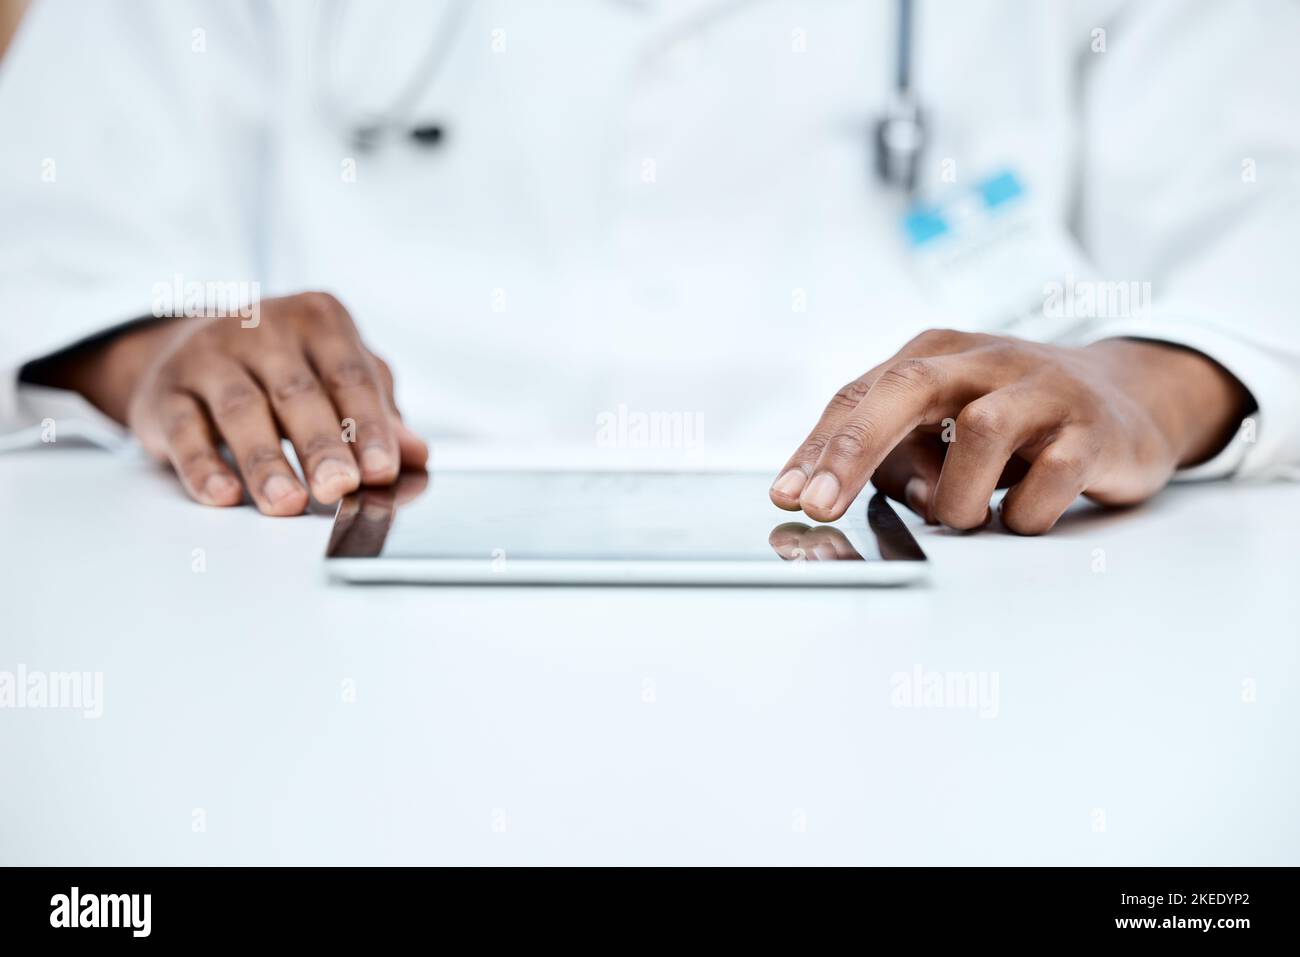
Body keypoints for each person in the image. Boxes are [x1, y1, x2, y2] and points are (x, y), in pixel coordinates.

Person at [1, 0, 1296, 534]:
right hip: (315, 545)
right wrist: (145, 344)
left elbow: (1268, 228)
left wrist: (1163, 375)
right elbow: (48, 219)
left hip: (965, 556)